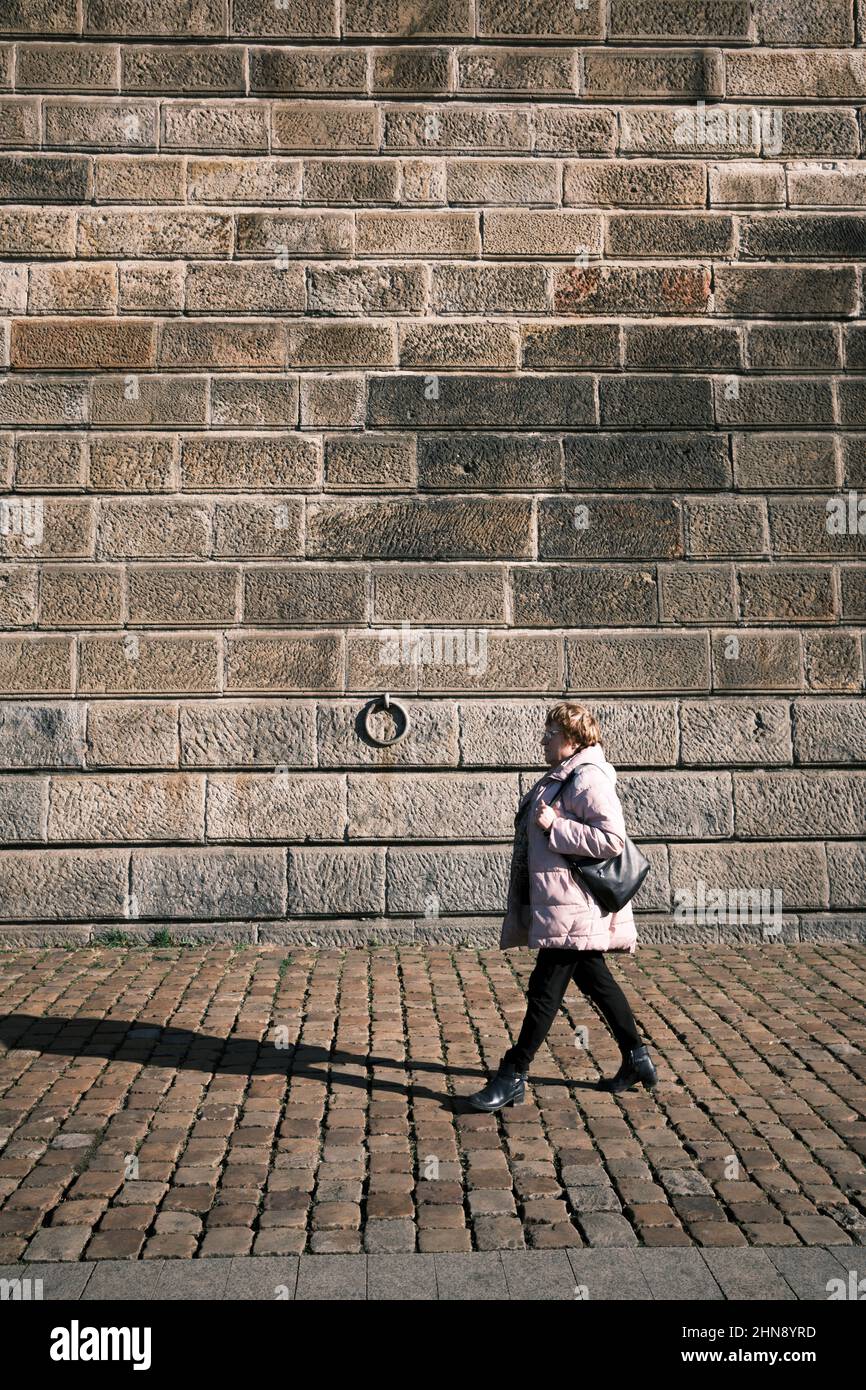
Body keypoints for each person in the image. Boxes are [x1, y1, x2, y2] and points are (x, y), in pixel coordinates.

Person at [468, 701, 657, 1111]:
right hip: (563, 904)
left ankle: (514, 1073)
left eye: (550, 733)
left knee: (543, 990)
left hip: (576, 907)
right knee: (597, 983)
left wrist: (557, 827)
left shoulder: (589, 778)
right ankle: (637, 1058)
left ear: (571, 740)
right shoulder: (565, 775)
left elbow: (612, 841)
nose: (543, 739)